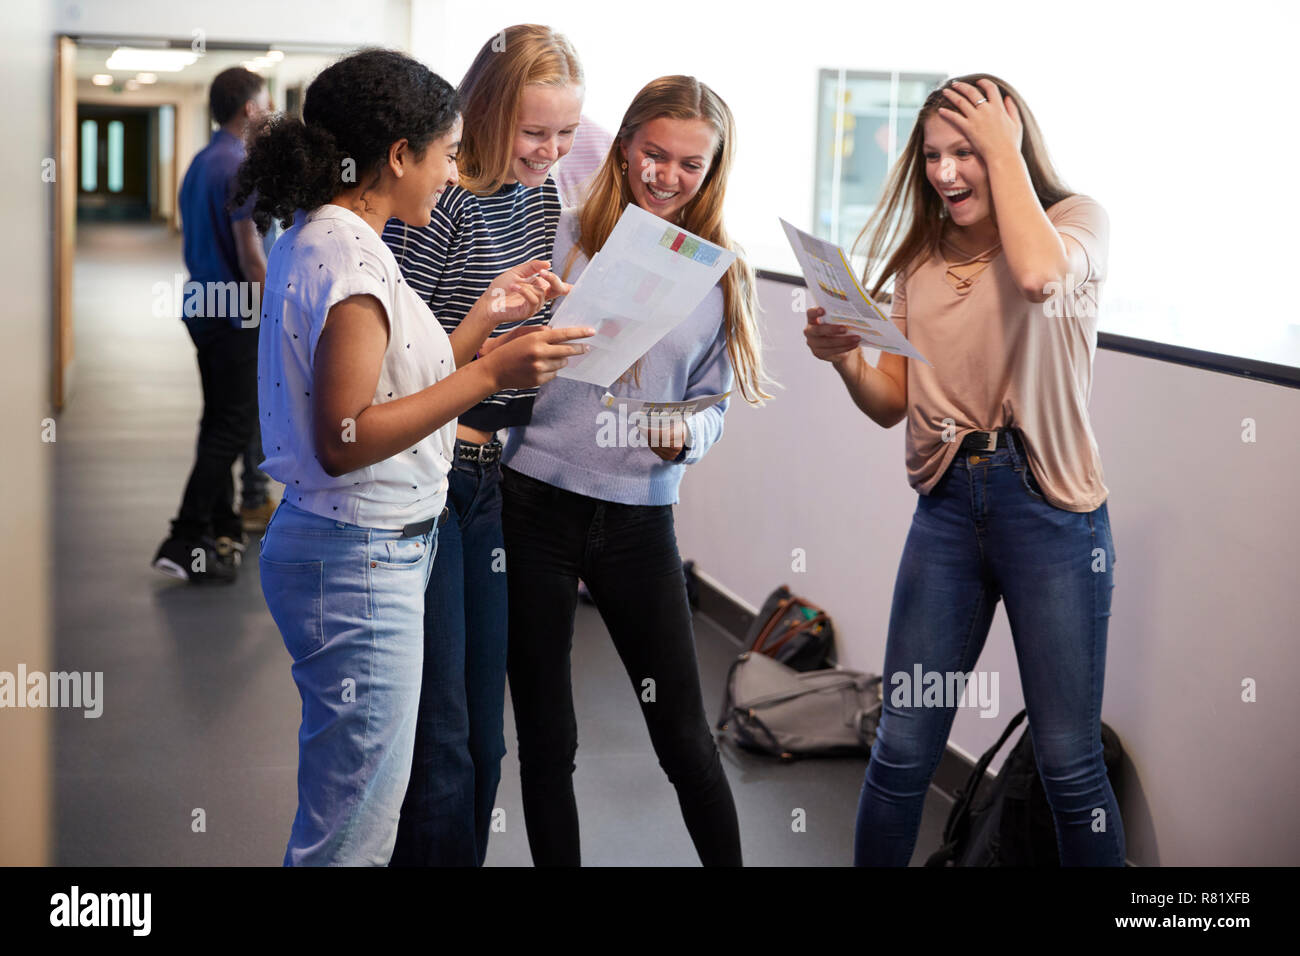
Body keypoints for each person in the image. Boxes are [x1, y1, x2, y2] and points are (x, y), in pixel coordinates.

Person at [232, 48, 592, 866]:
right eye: (449, 154)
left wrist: (484, 320)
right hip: (357, 556)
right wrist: (490, 372)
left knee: (358, 807)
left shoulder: (328, 237)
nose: (453, 173)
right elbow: (346, 434)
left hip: (352, 547)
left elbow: (400, 378)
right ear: (401, 156)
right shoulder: (355, 263)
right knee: (353, 833)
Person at [802, 74, 1124, 866]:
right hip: (947, 509)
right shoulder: (920, 258)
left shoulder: (1074, 223)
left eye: (966, 153)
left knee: (1068, 765)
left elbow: (1040, 279)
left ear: (1009, 148)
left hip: (1050, 513)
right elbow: (890, 403)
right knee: (904, 748)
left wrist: (1003, 152)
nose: (946, 173)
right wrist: (846, 361)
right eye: (934, 156)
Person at [500, 75, 773, 866]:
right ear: (622, 149)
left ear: (713, 170)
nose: (667, 175)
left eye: (690, 164)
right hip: (533, 505)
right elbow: (494, 356)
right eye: (653, 154)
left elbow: (713, 407)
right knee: (547, 739)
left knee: (684, 738)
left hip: (639, 522)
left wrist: (681, 438)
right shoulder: (559, 237)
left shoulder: (722, 273)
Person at [382, 24, 583, 867]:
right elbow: (401, 373)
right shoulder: (439, 199)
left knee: (483, 746)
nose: (551, 153)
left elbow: (511, 341)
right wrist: (495, 336)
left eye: (567, 134)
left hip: (488, 476)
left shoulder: (542, 199)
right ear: (485, 115)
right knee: (443, 745)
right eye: (536, 133)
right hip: (427, 476)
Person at [152, 67, 270, 583]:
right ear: (248, 108)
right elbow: (251, 257)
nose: (269, 110)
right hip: (235, 311)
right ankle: (183, 535)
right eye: (265, 101)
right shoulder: (241, 164)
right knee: (233, 425)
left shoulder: (202, 160)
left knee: (218, 417)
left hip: (201, 305)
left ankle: (219, 526)